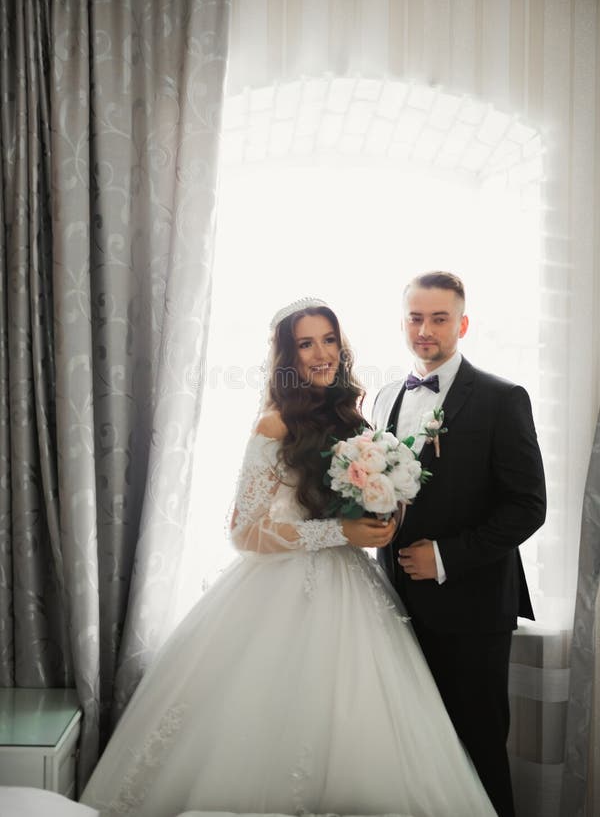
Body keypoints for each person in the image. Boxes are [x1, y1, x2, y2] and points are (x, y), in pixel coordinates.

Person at [81, 297, 496, 817]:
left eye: (328, 340)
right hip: (279, 590)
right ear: (288, 357)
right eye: (305, 343)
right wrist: (338, 531)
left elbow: (356, 499)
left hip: (353, 588)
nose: (320, 353)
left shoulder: (351, 416)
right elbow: (244, 530)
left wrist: (377, 521)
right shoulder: (274, 426)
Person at [372, 272, 546, 817]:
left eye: (439, 318)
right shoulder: (383, 398)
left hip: (472, 612)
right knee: (413, 752)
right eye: (415, 317)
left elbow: (527, 506)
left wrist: (445, 557)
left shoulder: (501, 399)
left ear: (462, 324)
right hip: (394, 609)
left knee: (477, 748)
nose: (425, 329)